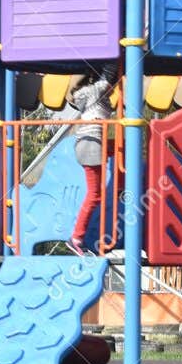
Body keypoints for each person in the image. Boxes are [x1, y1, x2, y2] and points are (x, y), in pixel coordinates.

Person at [66, 67, 118, 254]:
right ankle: (76, 238)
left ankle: (77, 237)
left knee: (97, 193)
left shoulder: (94, 96)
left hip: (94, 142)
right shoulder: (95, 90)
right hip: (91, 144)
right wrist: (115, 56)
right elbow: (107, 77)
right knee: (95, 194)